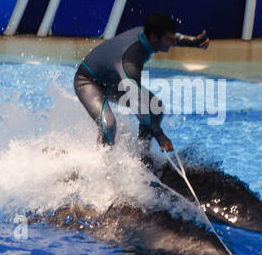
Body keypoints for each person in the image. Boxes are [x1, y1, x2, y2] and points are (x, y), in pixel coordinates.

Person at [74, 12, 209, 151]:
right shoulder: (130, 61)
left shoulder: (145, 33)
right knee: (109, 125)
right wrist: (160, 135)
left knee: (155, 108)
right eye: (169, 39)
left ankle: (143, 155)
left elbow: (176, 37)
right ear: (154, 38)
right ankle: (100, 166)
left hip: (112, 81)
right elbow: (136, 103)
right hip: (88, 81)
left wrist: (193, 42)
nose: (173, 42)